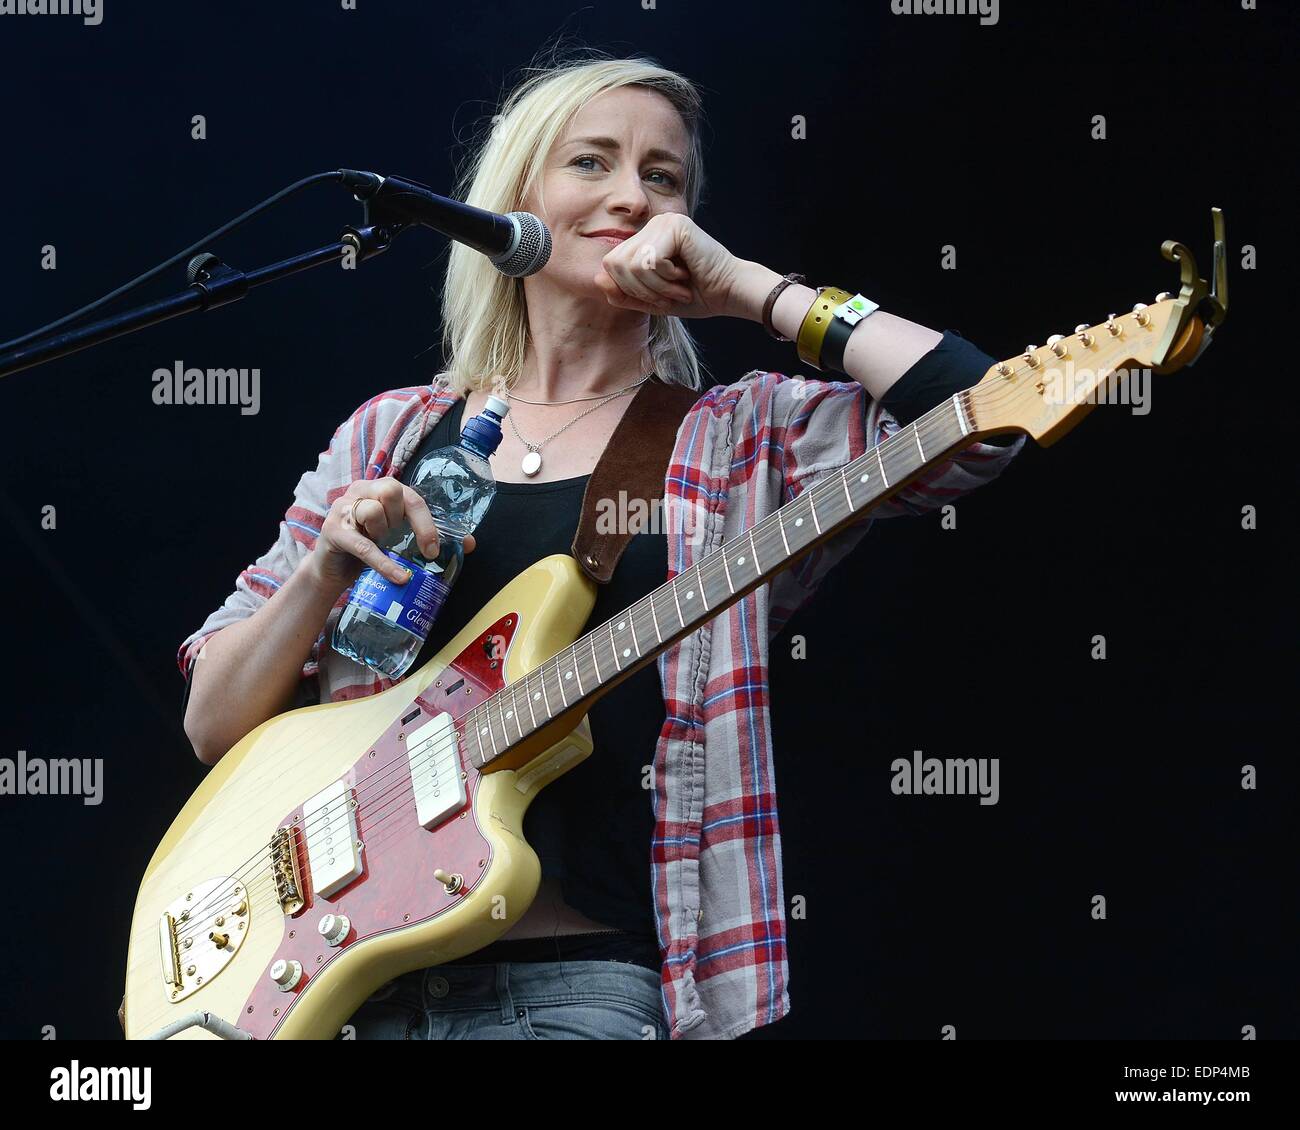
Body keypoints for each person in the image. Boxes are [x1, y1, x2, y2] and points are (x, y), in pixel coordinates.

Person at [177, 49, 1024, 1041]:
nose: (630, 195)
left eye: (661, 177)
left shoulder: (738, 437)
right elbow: (214, 722)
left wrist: (752, 290)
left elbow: (981, 420)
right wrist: (320, 572)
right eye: (591, 162)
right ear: (516, 200)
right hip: (339, 992)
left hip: (570, 992)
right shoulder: (391, 434)